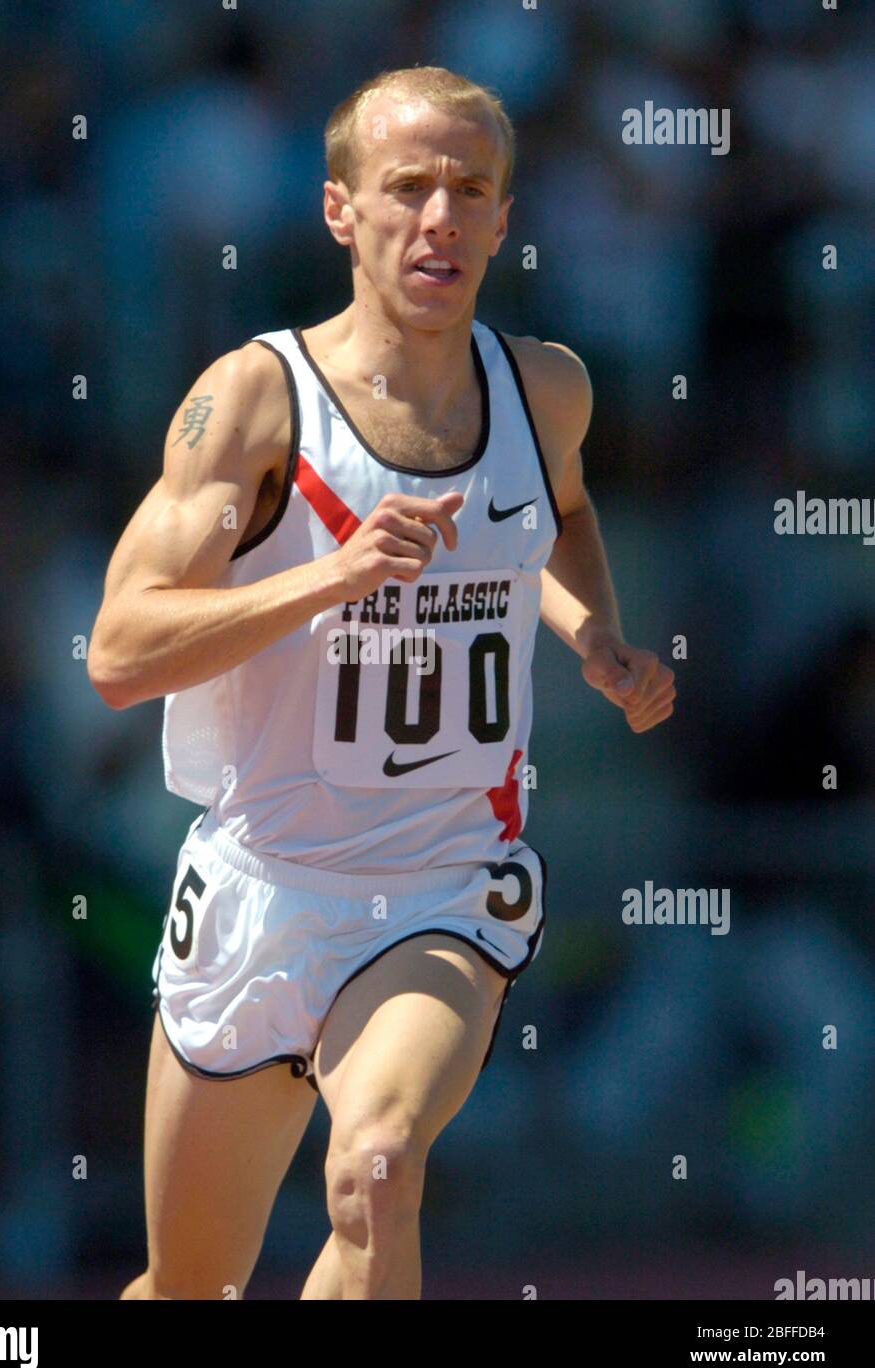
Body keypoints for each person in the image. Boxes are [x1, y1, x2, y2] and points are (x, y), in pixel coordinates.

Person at [88, 65, 676, 1301]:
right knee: (187, 1284)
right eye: (406, 186)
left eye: (470, 189)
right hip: (262, 887)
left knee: (378, 1166)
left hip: (442, 883)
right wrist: (323, 581)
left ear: (505, 221)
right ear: (339, 212)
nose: (440, 217)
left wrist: (594, 633)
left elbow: (551, 517)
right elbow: (119, 655)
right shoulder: (253, 401)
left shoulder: (546, 389)